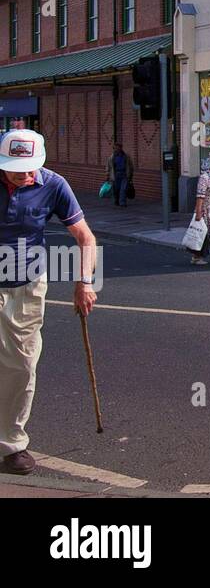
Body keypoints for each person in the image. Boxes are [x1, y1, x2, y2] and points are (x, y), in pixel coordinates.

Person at [0, 129, 97, 476]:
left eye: (28, 169)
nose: (23, 176)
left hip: (26, 285)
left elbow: (85, 237)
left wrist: (84, 282)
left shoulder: (53, 184)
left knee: (22, 367)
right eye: (15, 169)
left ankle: (12, 444)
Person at [105, 142, 134, 207]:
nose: (117, 149)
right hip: (115, 175)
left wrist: (131, 175)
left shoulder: (126, 156)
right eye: (115, 148)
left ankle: (122, 203)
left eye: (118, 147)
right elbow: (108, 167)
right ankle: (117, 200)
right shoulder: (111, 157)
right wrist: (107, 175)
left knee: (123, 189)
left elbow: (131, 166)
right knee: (116, 189)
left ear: (121, 148)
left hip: (124, 174)